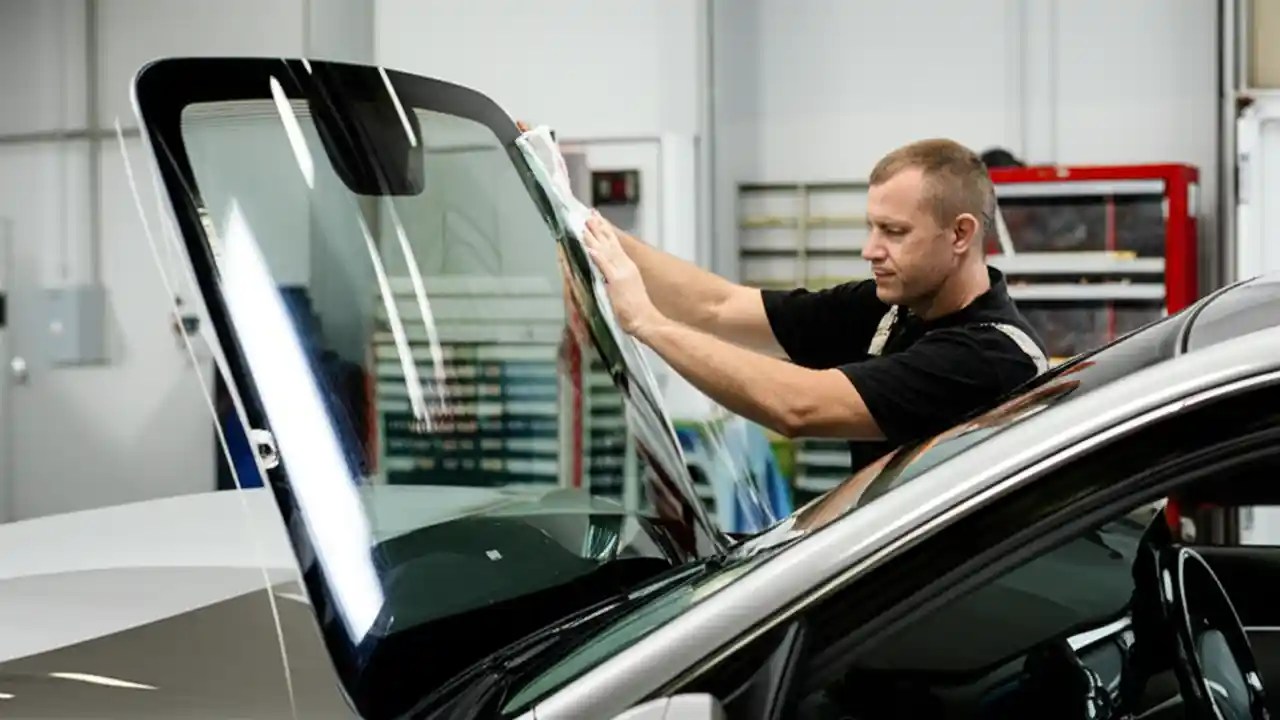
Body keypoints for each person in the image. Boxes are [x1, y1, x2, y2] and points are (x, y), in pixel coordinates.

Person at [579, 137, 1049, 476]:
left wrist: (647, 324)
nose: (870, 249)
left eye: (894, 232)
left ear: (961, 234)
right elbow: (718, 306)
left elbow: (797, 407)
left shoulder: (990, 356)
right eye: (872, 227)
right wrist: (581, 219)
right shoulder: (895, 307)